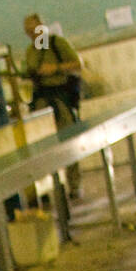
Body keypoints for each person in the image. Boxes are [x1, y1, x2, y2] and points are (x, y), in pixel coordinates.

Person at [23, 12, 83, 197]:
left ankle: (75, 185)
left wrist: (55, 69)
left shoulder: (58, 44)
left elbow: (77, 65)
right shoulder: (30, 52)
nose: (33, 34)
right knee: (44, 147)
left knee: (68, 141)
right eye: (29, 32)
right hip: (42, 100)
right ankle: (50, 188)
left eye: (35, 29)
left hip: (61, 97)